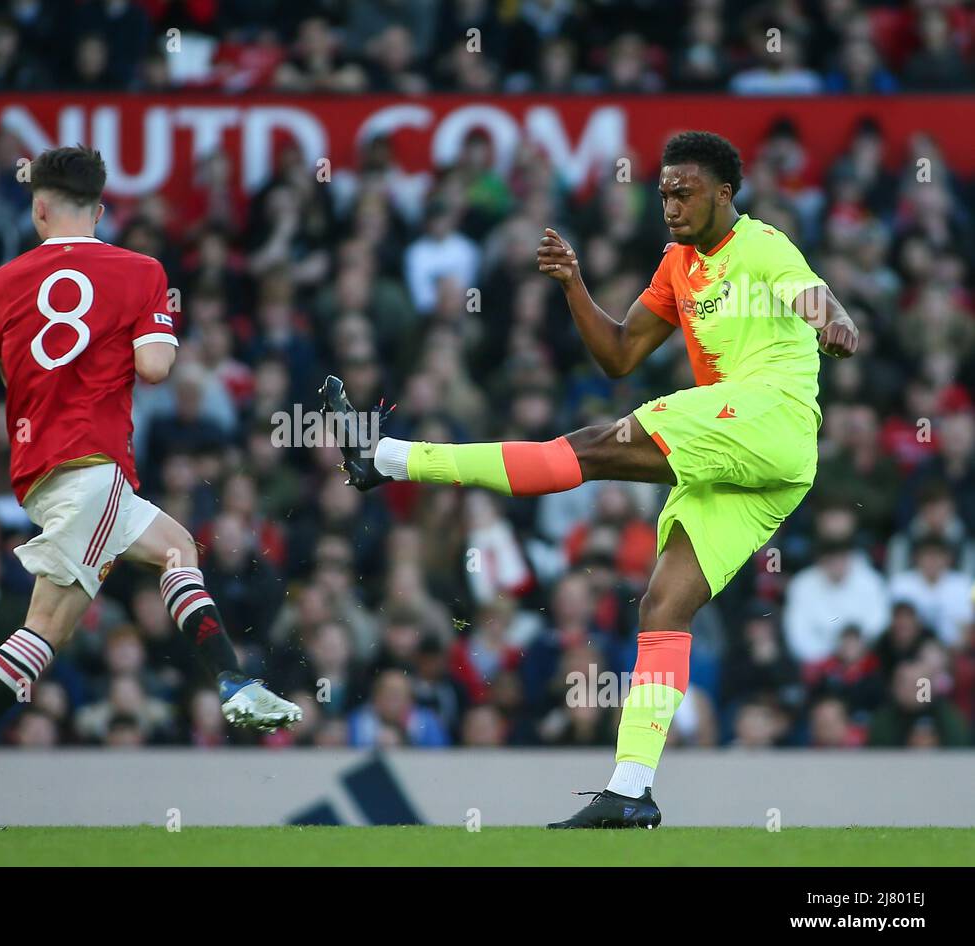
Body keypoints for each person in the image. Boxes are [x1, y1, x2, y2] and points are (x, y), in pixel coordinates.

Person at [322, 131, 860, 828]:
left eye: (685, 192)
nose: (670, 205)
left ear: (725, 193)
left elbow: (815, 298)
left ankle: (387, 458)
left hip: (770, 418)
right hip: (765, 468)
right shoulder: (676, 265)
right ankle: (631, 790)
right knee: (662, 607)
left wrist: (835, 323)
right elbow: (619, 355)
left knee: (590, 449)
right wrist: (574, 285)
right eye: (663, 193)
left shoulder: (761, 245)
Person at [0, 146, 301, 811]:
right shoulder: (140, 271)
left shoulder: (3, 280)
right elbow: (155, 368)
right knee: (44, 628)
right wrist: (131, 336)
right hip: (92, 461)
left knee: (175, 549)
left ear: (39, 209)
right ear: (101, 209)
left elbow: (11, 372)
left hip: (43, 470)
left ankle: (234, 682)